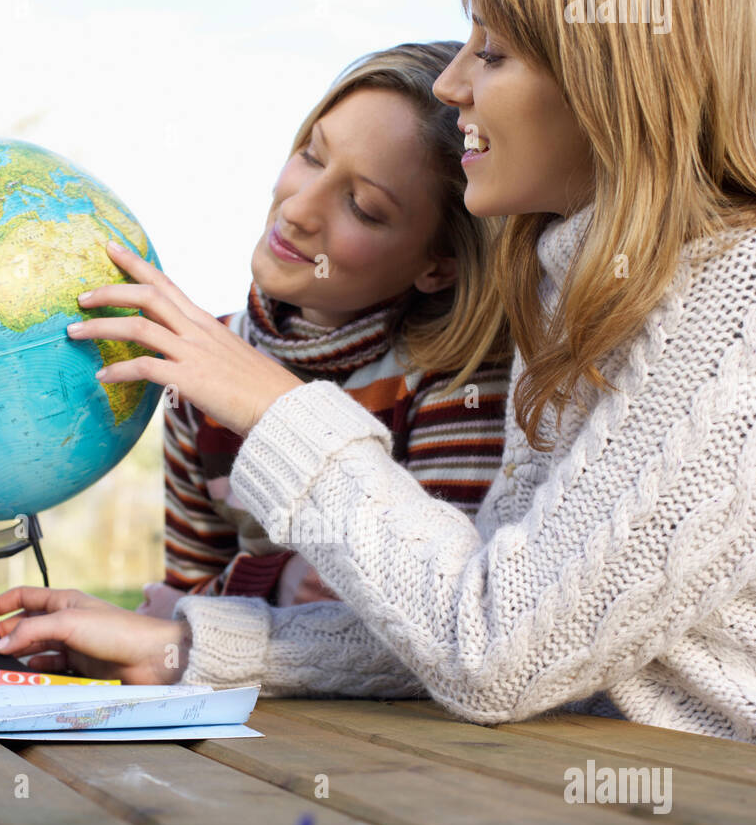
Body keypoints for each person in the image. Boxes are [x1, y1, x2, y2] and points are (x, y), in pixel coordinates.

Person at [0, 0, 756, 742]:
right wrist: (181, 645)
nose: (454, 85)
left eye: (495, 52)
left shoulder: (736, 305)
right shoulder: (581, 295)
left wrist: (271, 406)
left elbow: (498, 654)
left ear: (614, 82)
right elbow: (480, 607)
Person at [138, 41, 511, 617]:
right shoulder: (200, 362)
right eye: (312, 155)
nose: (298, 210)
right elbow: (178, 608)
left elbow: (446, 609)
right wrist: (276, 580)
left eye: (362, 206)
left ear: (439, 266)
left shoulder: (458, 379)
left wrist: (238, 601)